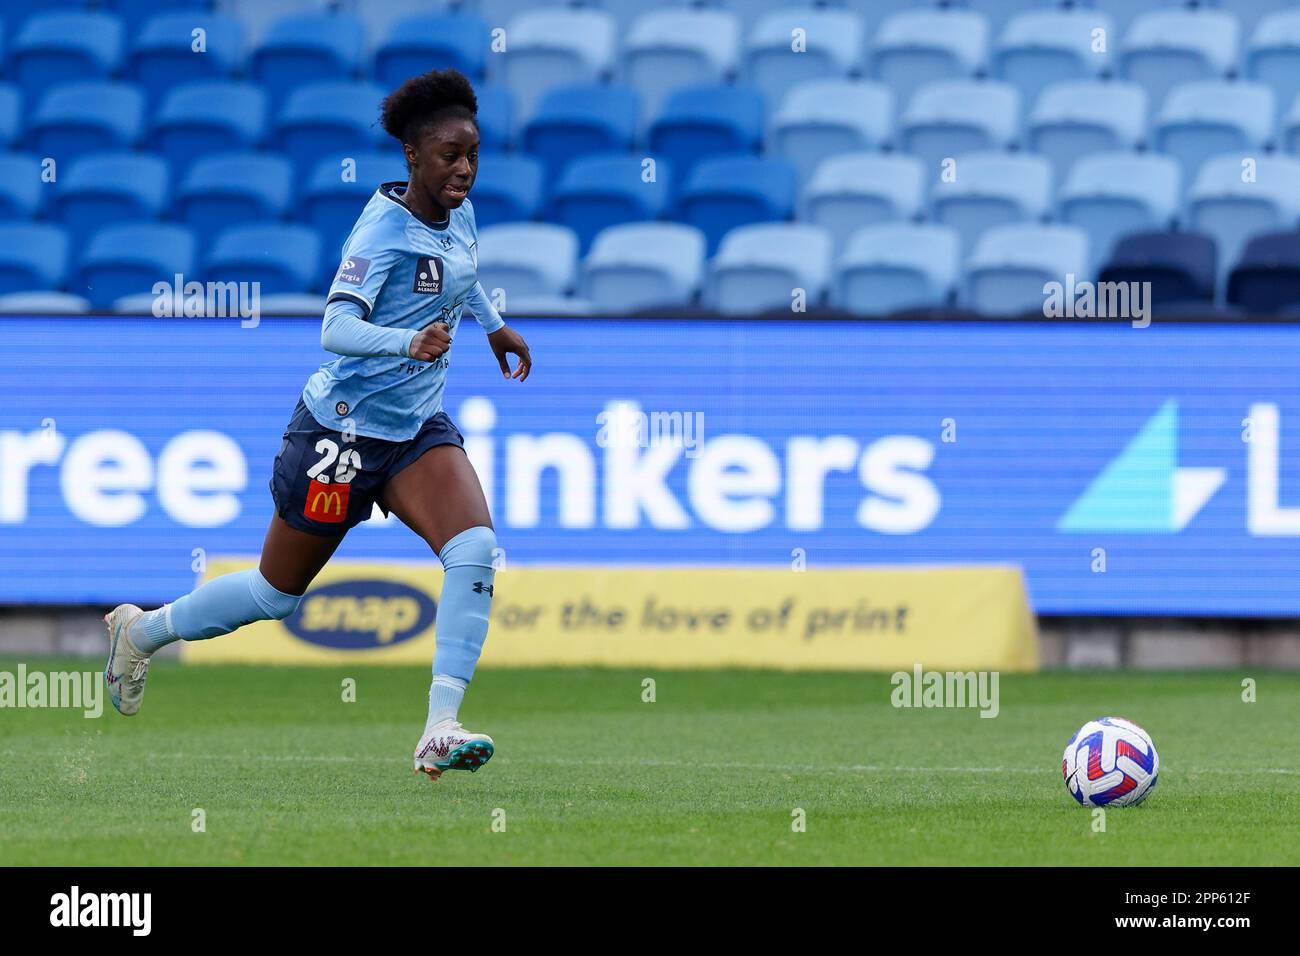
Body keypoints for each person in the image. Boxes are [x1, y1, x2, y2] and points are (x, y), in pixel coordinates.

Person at [103, 69, 532, 782]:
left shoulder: (461, 212)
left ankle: (438, 729)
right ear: (412, 157)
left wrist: (493, 325)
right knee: (276, 594)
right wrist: (406, 343)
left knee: (476, 550)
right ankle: (141, 632)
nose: (465, 169)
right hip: (339, 434)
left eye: (473, 154)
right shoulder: (381, 233)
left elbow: (461, 276)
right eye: (450, 155)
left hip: (415, 430)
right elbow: (335, 328)